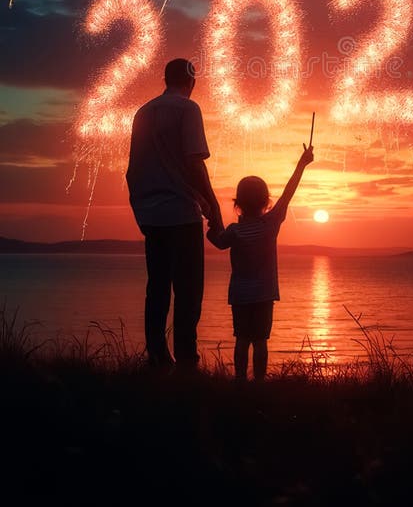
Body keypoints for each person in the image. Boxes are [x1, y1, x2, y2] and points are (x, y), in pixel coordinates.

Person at [126, 58, 224, 370]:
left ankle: (156, 356)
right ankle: (186, 359)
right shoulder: (187, 109)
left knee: (157, 288)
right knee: (188, 290)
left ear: (165, 78)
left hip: (152, 215)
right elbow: (194, 164)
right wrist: (214, 206)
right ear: (191, 82)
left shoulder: (143, 112)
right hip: (182, 214)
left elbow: (134, 170)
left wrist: (141, 211)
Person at [208, 143, 314, 382]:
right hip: (265, 294)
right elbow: (288, 193)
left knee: (242, 339)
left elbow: (217, 240)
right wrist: (302, 163)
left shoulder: (234, 231)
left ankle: (239, 382)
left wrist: (210, 220)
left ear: (238, 204)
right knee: (260, 341)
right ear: (266, 201)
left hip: (240, 295)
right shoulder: (271, 224)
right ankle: (258, 383)